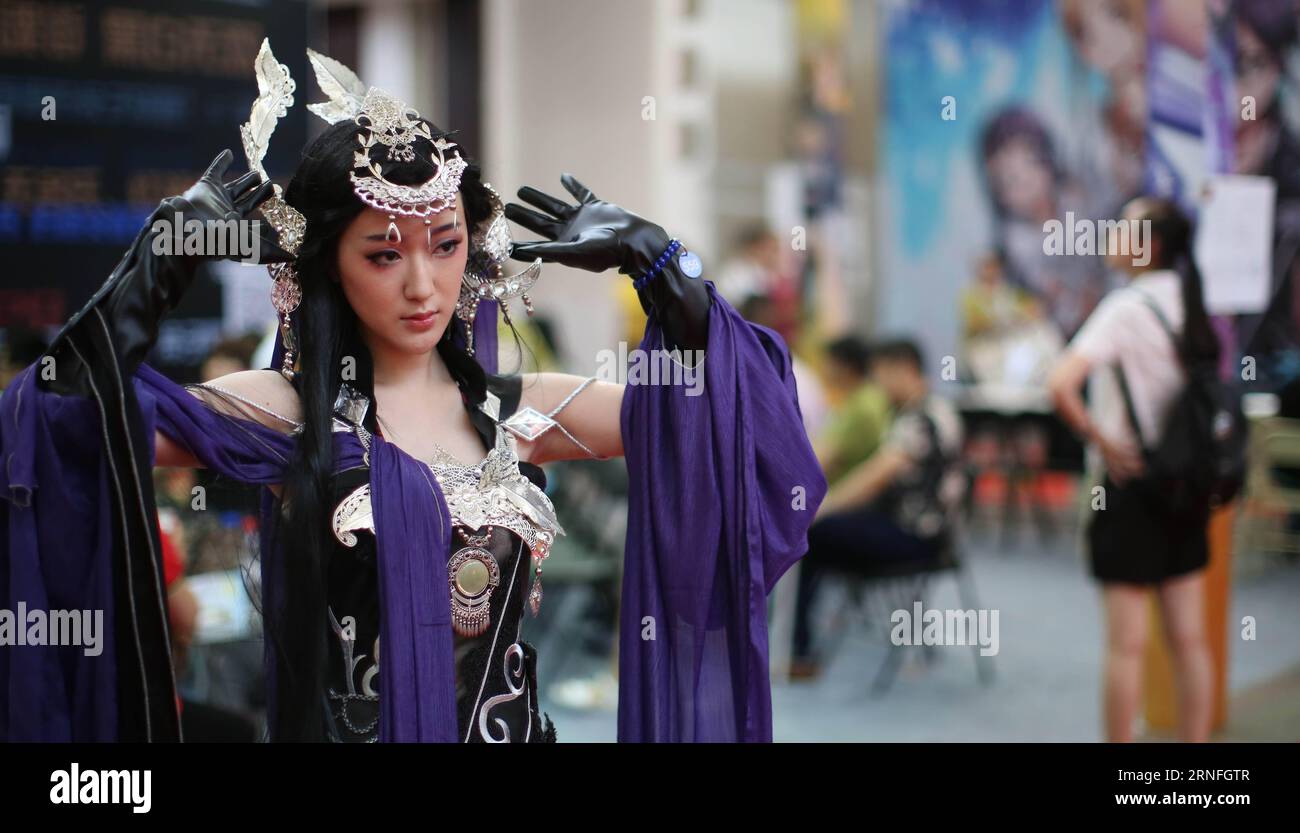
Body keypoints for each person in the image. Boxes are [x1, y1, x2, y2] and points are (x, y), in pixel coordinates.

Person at [0, 42, 825, 743]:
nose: (424, 284)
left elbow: (741, 424)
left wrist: (666, 270)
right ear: (329, 265)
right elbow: (56, 421)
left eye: (446, 243)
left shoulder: (518, 409)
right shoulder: (285, 411)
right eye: (385, 253)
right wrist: (155, 265)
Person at [1047, 196, 1218, 743]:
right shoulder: (1192, 301)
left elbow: (1060, 384)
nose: (1112, 235)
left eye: (1125, 227)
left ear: (1151, 245)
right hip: (1186, 486)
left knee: (1126, 646)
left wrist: (1104, 441)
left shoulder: (1125, 308)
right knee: (1189, 640)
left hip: (1129, 489)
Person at [790, 339, 963, 678]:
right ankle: (803, 646)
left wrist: (822, 509)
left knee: (813, 535)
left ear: (904, 370)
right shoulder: (927, 410)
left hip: (918, 535)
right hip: (923, 529)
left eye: (882, 374)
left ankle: (801, 651)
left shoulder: (922, 418)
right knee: (821, 535)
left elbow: (876, 476)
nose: (879, 384)